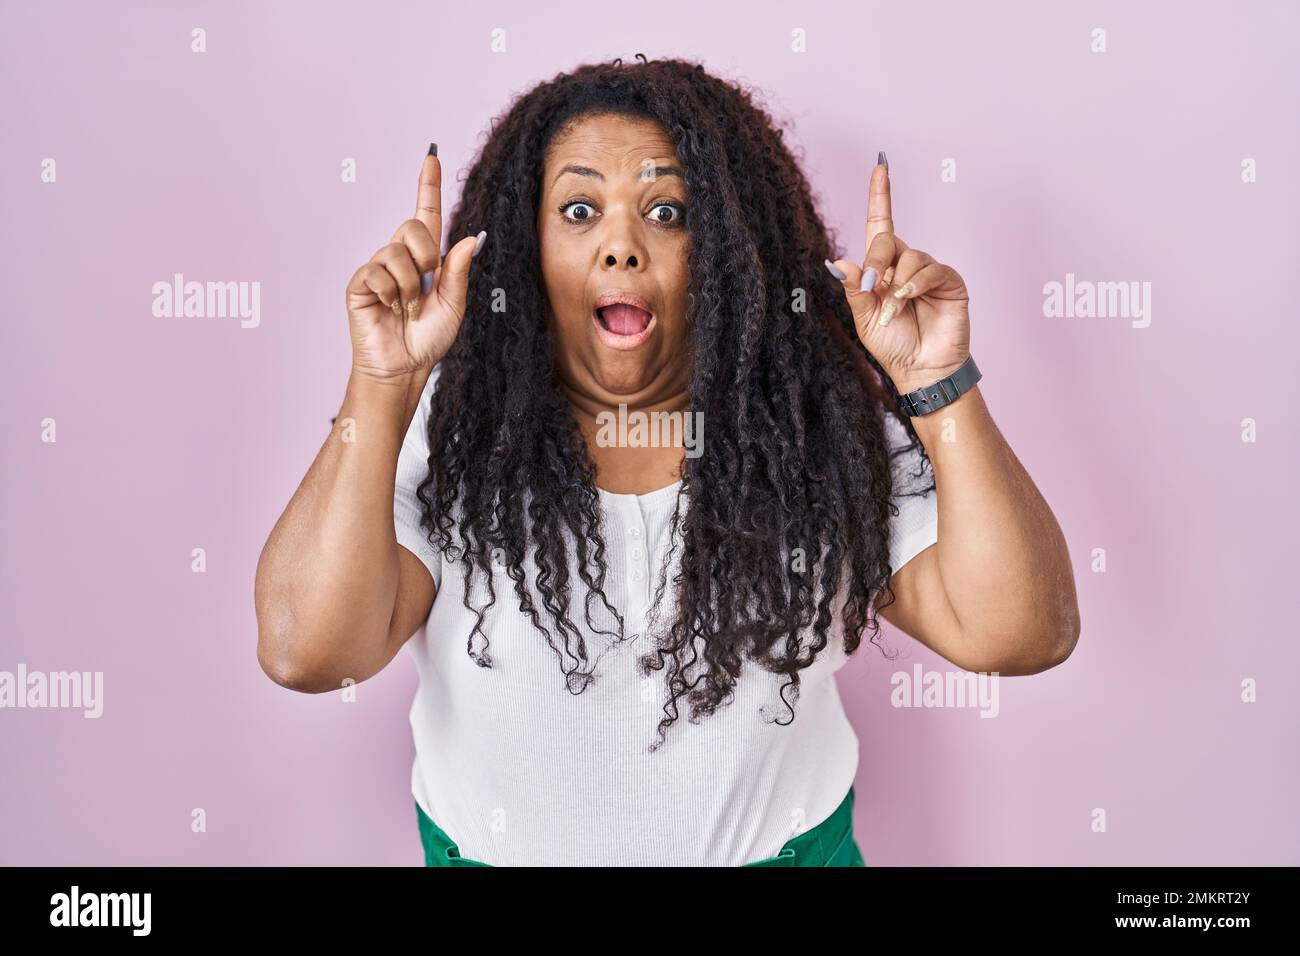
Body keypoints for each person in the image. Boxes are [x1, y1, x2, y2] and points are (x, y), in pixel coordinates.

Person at [254, 57, 1080, 867]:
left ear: (726, 249)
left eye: (669, 212)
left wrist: (939, 384)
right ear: (524, 248)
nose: (620, 245)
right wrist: (381, 383)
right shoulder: (451, 427)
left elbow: (1019, 634)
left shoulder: (823, 430)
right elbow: (307, 652)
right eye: (579, 210)